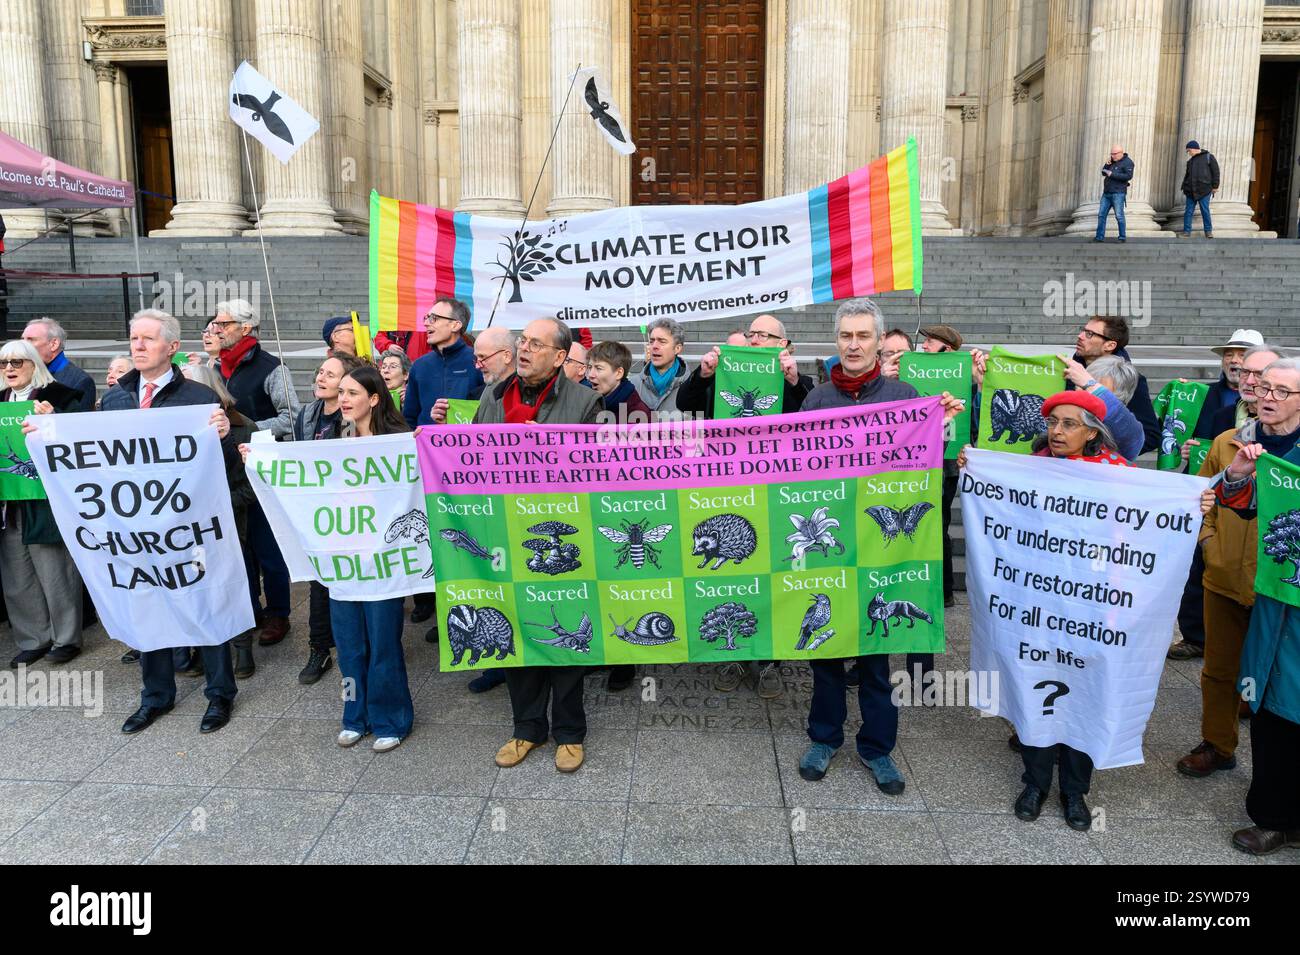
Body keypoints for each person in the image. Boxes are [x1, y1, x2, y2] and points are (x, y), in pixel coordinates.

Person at [797, 298, 963, 795]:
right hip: (831, 546)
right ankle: (823, 739)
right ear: (836, 341)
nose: (853, 344)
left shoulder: (904, 394)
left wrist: (941, 422)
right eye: (846, 336)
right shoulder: (816, 399)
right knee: (825, 653)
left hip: (881, 550)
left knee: (875, 655)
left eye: (863, 336)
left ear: (878, 340)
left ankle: (877, 749)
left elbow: (925, 469)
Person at [101, 310, 238, 736]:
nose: (137, 346)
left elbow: (227, 466)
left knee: (205, 601)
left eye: (147, 339)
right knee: (148, 605)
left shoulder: (199, 398)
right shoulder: (116, 399)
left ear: (172, 348)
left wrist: (225, 436)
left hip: (188, 524)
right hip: (137, 525)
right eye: (133, 338)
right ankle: (155, 696)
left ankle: (219, 694)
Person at [475, 318, 601, 774]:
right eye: (522, 341)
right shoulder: (493, 395)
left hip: (561, 535)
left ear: (560, 356)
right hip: (506, 533)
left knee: (565, 630)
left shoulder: (586, 402)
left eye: (535, 344)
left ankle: (570, 731)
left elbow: (597, 472)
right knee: (518, 628)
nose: (523, 349)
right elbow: (467, 454)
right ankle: (527, 727)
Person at [676, 314, 814, 699]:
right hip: (727, 487)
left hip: (777, 490)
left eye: (764, 335)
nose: (754, 340)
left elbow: (817, 420)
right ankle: (731, 655)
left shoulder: (799, 381)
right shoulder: (724, 371)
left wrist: (791, 381)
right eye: (751, 334)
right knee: (730, 576)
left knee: (773, 576)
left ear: (783, 344)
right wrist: (704, 374)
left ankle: (769, 660)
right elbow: (686, 404)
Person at [1209, 357, 1300, 855]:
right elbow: (1231, 501)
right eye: (1264, 387)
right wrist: (1239, 473)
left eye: (1282, 391)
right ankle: (1273, 816)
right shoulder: (1252, 445)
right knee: (1270, 709)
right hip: (1273, 599)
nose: (1268, 397)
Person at [1171, 343, 1282, 660]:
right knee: (1220, 671)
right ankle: (1196, 636)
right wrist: (1209, 540)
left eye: (1259, 375)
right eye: (1246, 372)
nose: (1250, 380)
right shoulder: (1223, 421)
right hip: (1225, 560)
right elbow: (1203, 486)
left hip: (1273, 570)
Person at [329, 366, 414, 752]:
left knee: (382, 644)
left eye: (352, 393)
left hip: (385, 562)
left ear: (374, 399)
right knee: (349, 645)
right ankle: (354, 715)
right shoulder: (334, 436)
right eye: (341, 391)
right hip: (345, 562)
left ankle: (390, 718)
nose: (343, 399)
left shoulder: (400, 440)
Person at [211, 298, 299, 648]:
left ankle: (279, 613)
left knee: (267, 546)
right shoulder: (215, 368)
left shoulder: (272, 368)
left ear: (245, 328)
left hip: (261, 469)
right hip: (225, 470)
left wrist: (246, 431)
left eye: (223, 324)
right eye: (216, 324)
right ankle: (250, 609)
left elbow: (291, 417)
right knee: (238, 547)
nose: (216, 329)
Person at [0, 340, 84, 667]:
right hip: (9, 501)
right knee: (16, 573)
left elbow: (79, 442)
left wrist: (55, 421)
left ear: (34, 363)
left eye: (17, 362)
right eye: (4, 363)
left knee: (55, 571)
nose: (9, 369)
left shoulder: (59, 396)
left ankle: (66, 638)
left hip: (45, 501)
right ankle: (33, 638)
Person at [403, 297, 483, 627]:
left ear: (457, 325)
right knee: (432, 538)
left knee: (462, 542)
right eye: (427, 316)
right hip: (428, 468)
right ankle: (433, 602)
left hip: (466, 471)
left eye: (435, 317)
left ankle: (460, 612)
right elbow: (409, 418)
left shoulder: (477, 363)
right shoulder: (420, 366)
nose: (427, 322)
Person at [180, 363, 260, 679]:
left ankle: (242, 647)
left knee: (231, 585)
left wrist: (219, 505)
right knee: (198, 582)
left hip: (229, 523)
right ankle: (204, 647)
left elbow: (252, 486)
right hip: (188, 526)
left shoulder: (243, 427)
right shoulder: (176, 429)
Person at [291, 352, 365, 684]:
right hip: (317, 514)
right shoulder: (308, 413)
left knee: (355, 581)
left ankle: (361, 642)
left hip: (353, 515)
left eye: (330, 375)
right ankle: (319, 649)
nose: (321, 378)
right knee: (319, 583)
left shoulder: (357, 418)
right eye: (320, 372)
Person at [1070, 315, 1159, 453]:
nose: (1080, 336)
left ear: (1110, 345)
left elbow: (1150, 436)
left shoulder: (1129, 379)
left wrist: (1101, 451)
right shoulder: (1069, 372)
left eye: (1090, 334)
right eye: (1083, 330)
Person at [1059, 354, 1144, 462]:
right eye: (1079, 386)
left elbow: (1128, 429)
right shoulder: (1061, 417)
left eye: (1093, 391)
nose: (1083, 395)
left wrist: (1089, 384)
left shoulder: (1129, 430)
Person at [1192, 329, 1261, 442]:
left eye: (1242, 355)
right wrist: (1181, 394)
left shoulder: (1266, 400)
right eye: (1229, 355)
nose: (1234, 360)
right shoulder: (1203, 393)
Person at [22, 318, 95, 411]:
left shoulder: (80, 381)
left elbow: (81, 423)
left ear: (54, 344)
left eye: (31, 340)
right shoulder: (20, 374)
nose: (22, 345)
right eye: (22, 339)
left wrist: (52, 417)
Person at [634, 318, 687, 411]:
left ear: (677, 348)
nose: (654, 346)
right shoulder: (632, 386)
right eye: (651, 341)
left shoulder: (692, 387)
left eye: (662, 341)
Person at [1179, 140, 1220, 239]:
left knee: (1205, 211)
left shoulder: (1209, 157)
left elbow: (1216, 172)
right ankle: (1186, 232)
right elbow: (1187, 176)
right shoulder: (1190, 161)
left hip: (1205, 190)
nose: (1188, 153)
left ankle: (1208, 232)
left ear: (1194, 148)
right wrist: (1184, 187)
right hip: (1190, 191)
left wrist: (1215, 186)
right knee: (1188, 212)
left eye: (1189, 151)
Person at [1094, 143, 1133, 242]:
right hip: (1106, 193)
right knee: (1101, 215)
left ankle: (1122, 237)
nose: (1112, 156)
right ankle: (1099, 237)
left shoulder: (1128, 162)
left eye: (1115, 154)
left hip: (1118, 193)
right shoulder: (1112, 161)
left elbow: (1128, 176)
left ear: (1121, 153)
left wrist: (1112, 174)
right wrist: (1107, 164)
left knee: (1119, 215)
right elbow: (1103, 172)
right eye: (1111, 154)